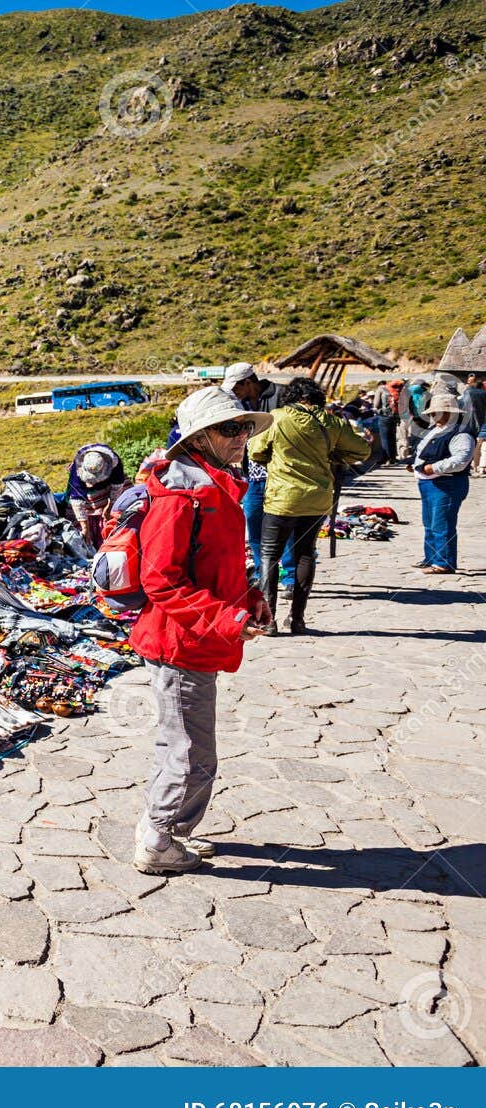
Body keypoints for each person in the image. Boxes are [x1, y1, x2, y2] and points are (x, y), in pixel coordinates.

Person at [130, 387, 273, 875]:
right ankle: (159, 840)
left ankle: (164, 827)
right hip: (180, 641)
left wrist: (249, 601)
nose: (242, 437)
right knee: (194, 753)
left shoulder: (214, 488)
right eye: (229, 428)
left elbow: (217, 568)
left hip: (195, 637)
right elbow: (161, 580)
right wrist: (227, 619)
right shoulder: (181, 495)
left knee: (181, 744)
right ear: (199, 439)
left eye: (245, 427)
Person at [247, 377, 371, 635]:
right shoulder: (333, 422)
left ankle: (268, 621)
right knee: (305, 553)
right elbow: (362, 451)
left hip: (282, 499)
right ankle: (297, 619)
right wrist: (333, 455)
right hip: (317, 500)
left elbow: (255, 451)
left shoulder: (277, 418)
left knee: (270, 555)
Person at [220, 362, 279, 577]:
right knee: (253, 521)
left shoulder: (279, 395)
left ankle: (290, 576)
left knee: (284, 524)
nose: (235, 393)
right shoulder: (239, 403)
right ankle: (261, 572)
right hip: (253, 474)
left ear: (248, 382)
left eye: (237, 387)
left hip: (279, 473)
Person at [410, 394, 473, 574]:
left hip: (447, 483)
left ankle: (444, 562)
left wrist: (433, 468)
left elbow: (462, 459)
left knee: (442, 524)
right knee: (430, 523)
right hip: (429, 484)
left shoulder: (460, 433)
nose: (433, 417)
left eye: (437, 413)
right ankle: (431, 557)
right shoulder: (436, 430)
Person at [65, 443, 127, 549]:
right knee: (83, 523)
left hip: (108, 486)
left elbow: (117, 486)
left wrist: (110, 505)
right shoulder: (78, 467)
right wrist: (85, 528)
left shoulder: (114, 463)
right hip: (87, 494)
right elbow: (77, 498)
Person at [459, 372, 486, 476]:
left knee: (474, 447)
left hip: (470, 426)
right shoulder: (483, 395)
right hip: (482, 425)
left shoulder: (466, 394)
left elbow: (461, 408)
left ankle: (474, 466)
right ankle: (482, 467)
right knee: (484, 448)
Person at [373, 380, 402, 465]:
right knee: (392, 437)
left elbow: (376, 404)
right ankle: (393, 458)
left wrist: (378, 410)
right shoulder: (399, 390)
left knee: (385, 438)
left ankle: (386, 458)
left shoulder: (381, 389)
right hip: (396, 416)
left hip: (384, 416)